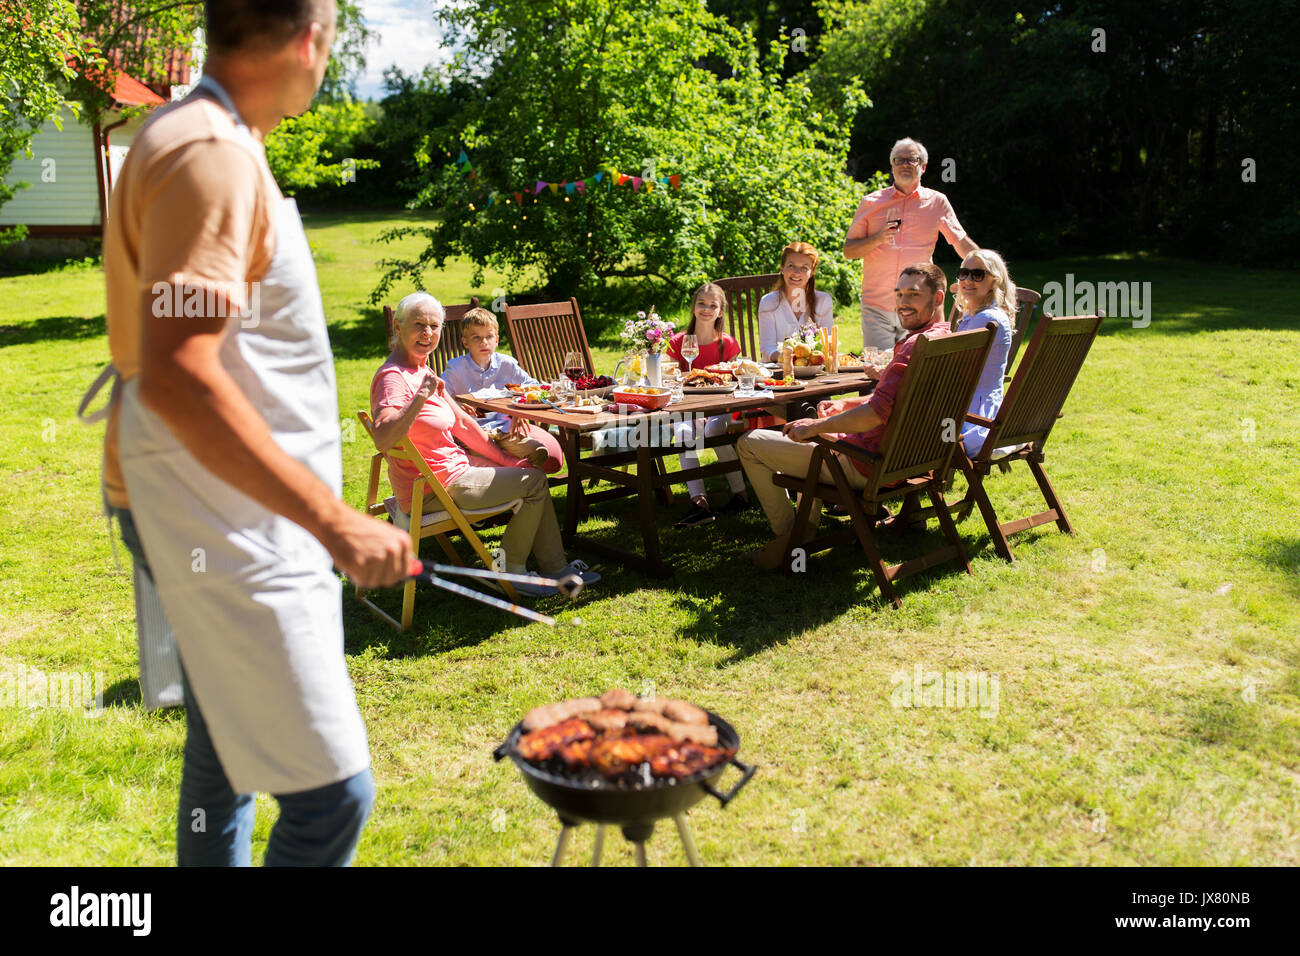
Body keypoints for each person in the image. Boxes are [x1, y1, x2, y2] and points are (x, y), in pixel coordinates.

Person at [112, 0, 414, 867]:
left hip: (221, 504)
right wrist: (335, 521)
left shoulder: (205, 138)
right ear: (307, 38)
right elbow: (176, 370)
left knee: (222, 760)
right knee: (330, 796)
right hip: (224, 519)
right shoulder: (208, 153)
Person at [370, 298, 599, 598]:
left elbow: (464, 425)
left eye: (434, 326)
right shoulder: (394, 377)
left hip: (452, 475)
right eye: (418, 325)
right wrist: (419, 399)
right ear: (398, 327)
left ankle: (554, 568)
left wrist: (506, 460)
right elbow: (382, 437)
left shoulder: (422, 371)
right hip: (432, 491)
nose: (427, 332)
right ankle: (511, 570)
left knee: (529, 472)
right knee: (535, 482)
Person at [737, 263, 953, 569]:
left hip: (865, 464)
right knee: (812, 438)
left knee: (749, 442)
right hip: (912, 461)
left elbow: (876, 415)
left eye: (914, 295)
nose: (903, 303)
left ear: (939, 298)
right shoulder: (945, 340)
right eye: (900, 294)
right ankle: (801, 529)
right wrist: (843, 406)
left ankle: (793, 537)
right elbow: (893, 401)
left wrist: (817, 426)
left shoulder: (912, 348)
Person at [843, 138, 977, 352]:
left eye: (911, 160)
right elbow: (849, 251)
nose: (905, 164)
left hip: (921, 307)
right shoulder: (871, 202)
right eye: (899, 160)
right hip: (877, 306)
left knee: (921, 373)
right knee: (877, 373)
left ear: (923, 167)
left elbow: (961, 243)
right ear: (892, 166)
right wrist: (877, 239)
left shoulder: (937, 202)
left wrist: (987, 268)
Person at [423, 299, 563, 474]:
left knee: (539, 453)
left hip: (504, 429)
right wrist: (457, 406)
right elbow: (439, 398)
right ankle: (510, 488)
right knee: (488, 459)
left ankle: (522, 489)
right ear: (465, 342)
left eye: (489, 337)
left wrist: (519, 411)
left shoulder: (507, 364)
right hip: (473, 432)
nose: (484, 342)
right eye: (476, 338)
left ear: (496, 339)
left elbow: (533, 387)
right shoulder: (456, 368)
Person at [665, 283, 751, 527]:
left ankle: (740, 494)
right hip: (687, 408)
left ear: (720, 311)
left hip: (724, 408)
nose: (706, 309)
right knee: (684, 432)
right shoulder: (678, 341)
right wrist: (693, 413)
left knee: (713, 430)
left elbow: (736, 380)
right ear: (693, 307)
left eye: (713, 305)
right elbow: (669, 380)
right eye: (702, 303)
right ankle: (699, 502)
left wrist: (709, 411)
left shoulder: (727, 343)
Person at [952, 250, 1017, 456]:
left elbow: (952, 369)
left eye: (977, 274)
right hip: (985, 413)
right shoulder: (981, 315)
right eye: (964, 273)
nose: (968, 280)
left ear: (994, 282)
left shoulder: (985, 320)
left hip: (972, 424)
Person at [757, 242, 835, 363]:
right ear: (782, 268)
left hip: (814, 372)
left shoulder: (823, 301)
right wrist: (791, 360)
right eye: (791, 265)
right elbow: (767, 350)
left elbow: (828, 345)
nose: (796, 272)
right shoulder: (768, 302)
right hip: (778, 374)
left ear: (812, 271)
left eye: (804, 267)